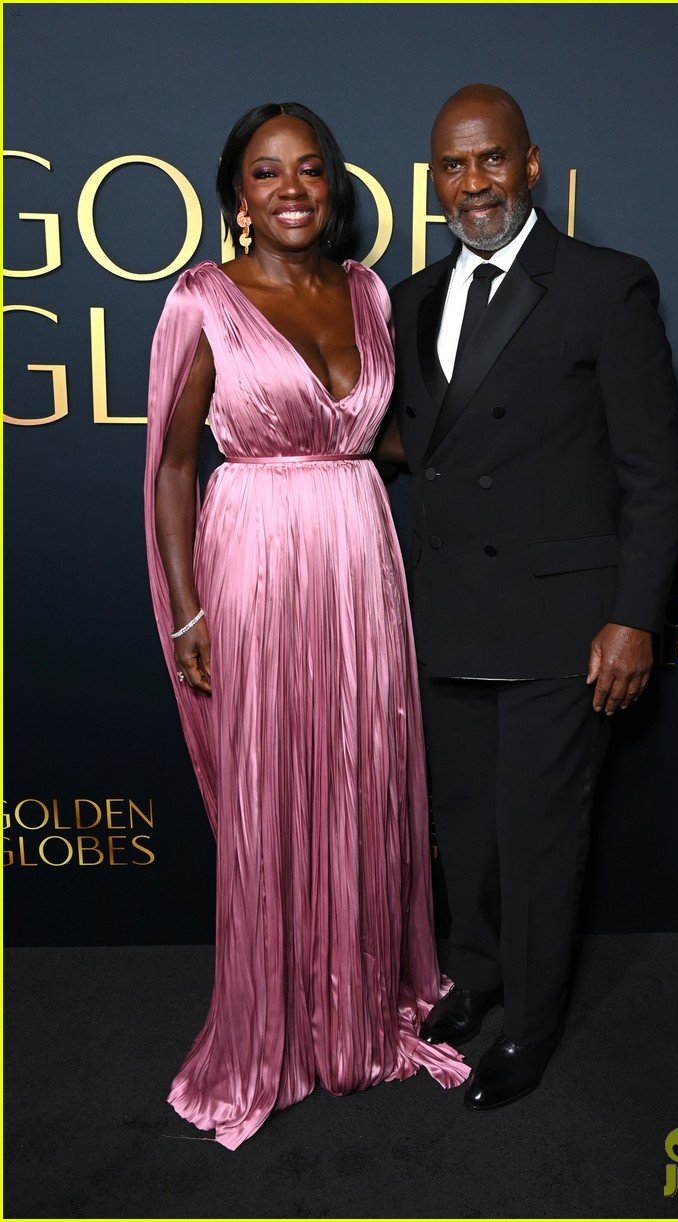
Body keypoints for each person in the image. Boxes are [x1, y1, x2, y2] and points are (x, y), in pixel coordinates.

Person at [143, 102, 467, 1151]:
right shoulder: (202, 298)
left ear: (334, 187)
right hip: (255, 560)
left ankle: (362, 1010)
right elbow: (175, 467)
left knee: (366, 776)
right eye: (267, 171)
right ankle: (271, 1028)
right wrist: (187, 607)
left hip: (361, 555)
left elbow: (402, 436)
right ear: (238, 196)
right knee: (272, 789)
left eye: (310, 169)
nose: (292, 188)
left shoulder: (368, 291)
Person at [388, 84, 678, 1110]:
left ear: (531, 164)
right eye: (453, 165)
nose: (473, 182)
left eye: (491, 159)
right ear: (435, 181)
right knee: (467, 825)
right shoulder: (411, 297)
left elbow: (654, 472)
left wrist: (634, 616)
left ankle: (533, 1022)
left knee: (538, 836)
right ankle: (478, 978)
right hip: (447, 611)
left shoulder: (605, 285)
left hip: (563, 625)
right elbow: (413, 441)